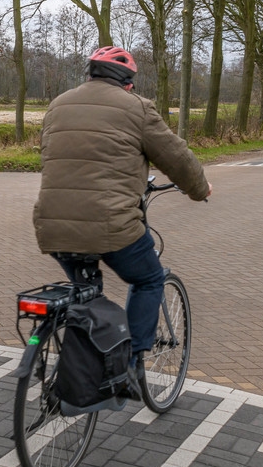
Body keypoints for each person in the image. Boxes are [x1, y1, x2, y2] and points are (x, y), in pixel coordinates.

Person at [32, 45, 211, 392]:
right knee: (148, 279)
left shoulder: (58, 105)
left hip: (51, 224)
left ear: (89, 75)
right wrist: (200, 189)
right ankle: (129, 366)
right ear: (128, 83)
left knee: (86, 294)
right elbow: (177, 158)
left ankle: (87, 364)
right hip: (111, 224)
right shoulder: (138, 109)